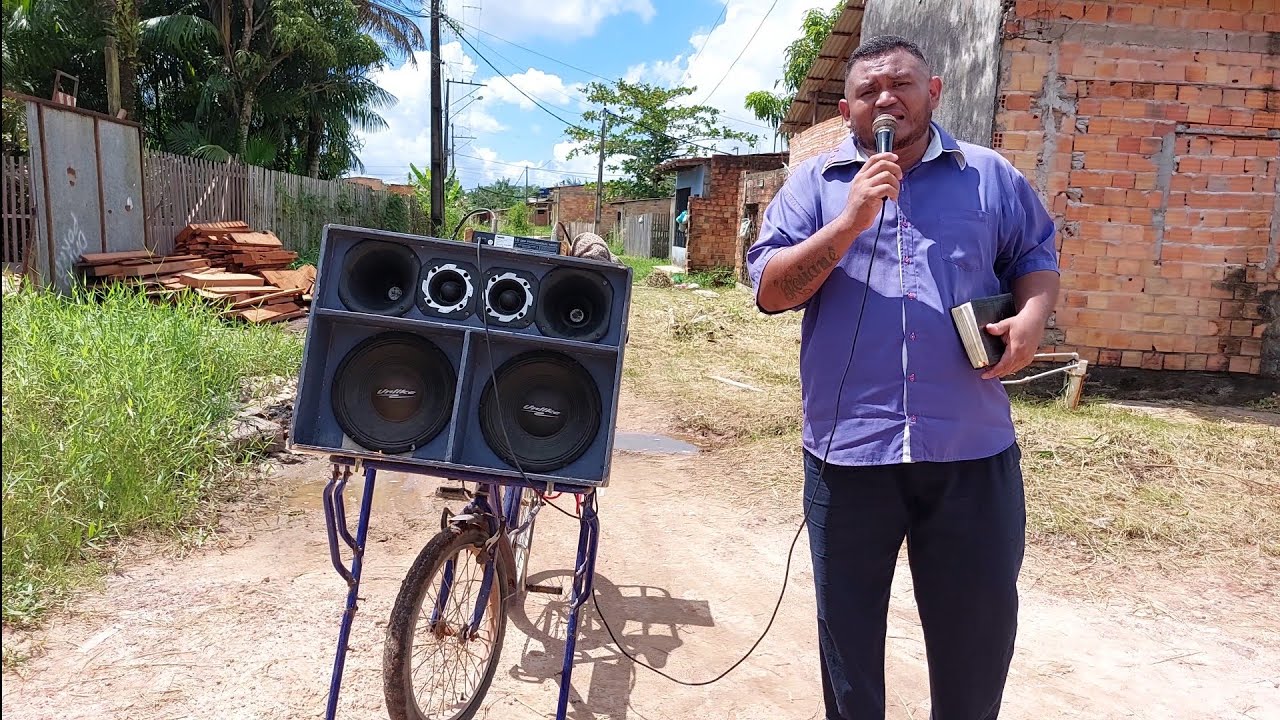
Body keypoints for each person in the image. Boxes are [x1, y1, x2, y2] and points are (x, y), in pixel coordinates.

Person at [746, 35, 1060, 720]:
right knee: (850, 652)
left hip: (971, 451)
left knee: (976, 644)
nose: (886, 98)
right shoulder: (814, 186)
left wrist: (1034, 314)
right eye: (868, 90)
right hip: (848, 454)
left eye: (902, 84)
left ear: (934, 91)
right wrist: (851, 221)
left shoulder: (990, 177)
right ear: (847, 108)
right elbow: (770, 290)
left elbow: (1034, 251)